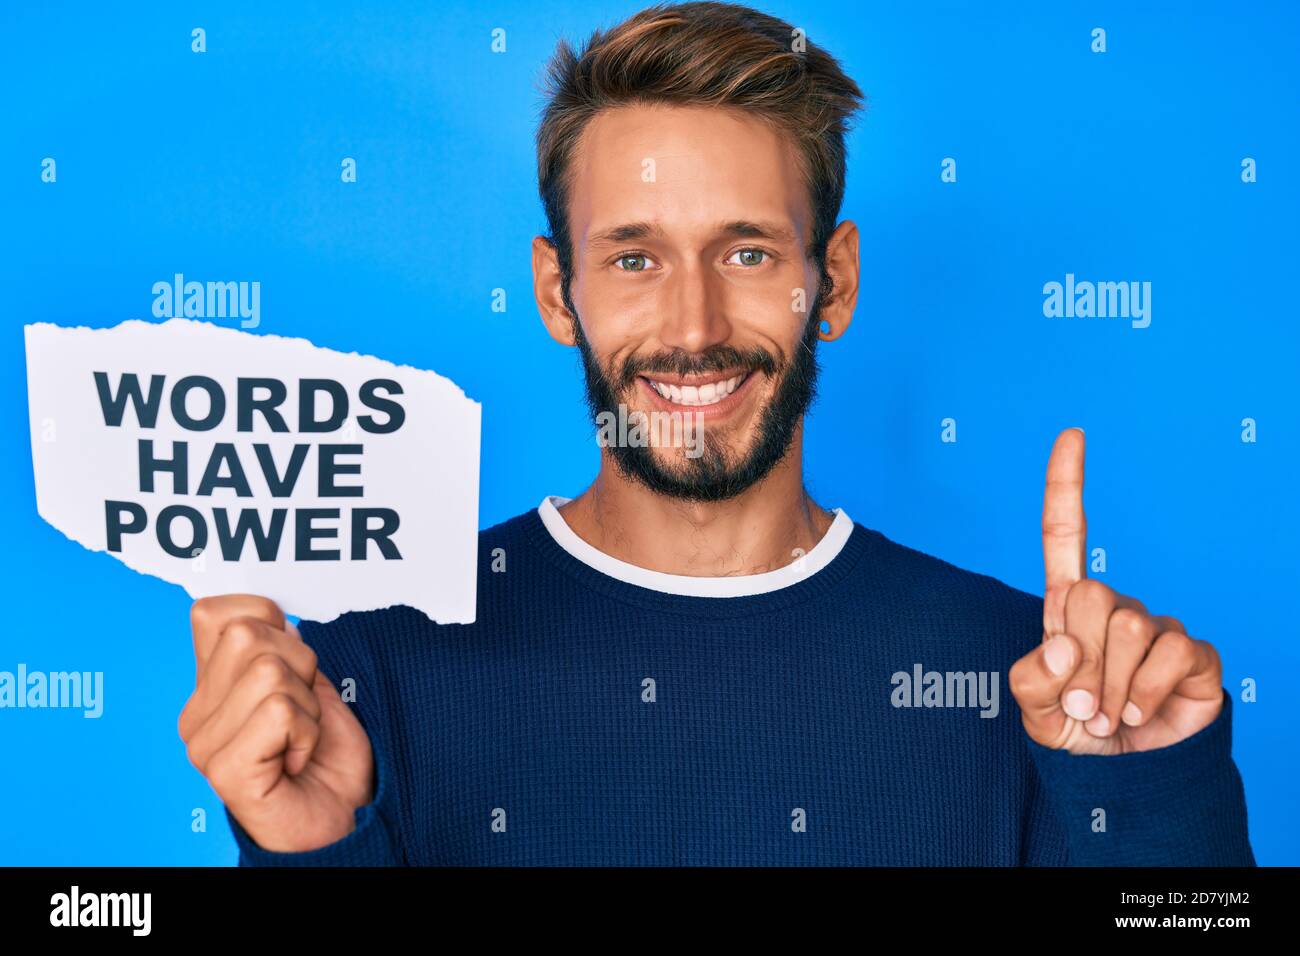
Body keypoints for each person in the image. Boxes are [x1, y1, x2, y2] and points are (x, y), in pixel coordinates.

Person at [177, 1, 1253, 865]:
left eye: (745, 254)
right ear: (557, 293)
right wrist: (315, 849)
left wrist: (1151, 798)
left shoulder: (1038, 679)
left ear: (830, 282)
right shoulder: (371, 669)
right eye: (635, 258)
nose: (692, 329)